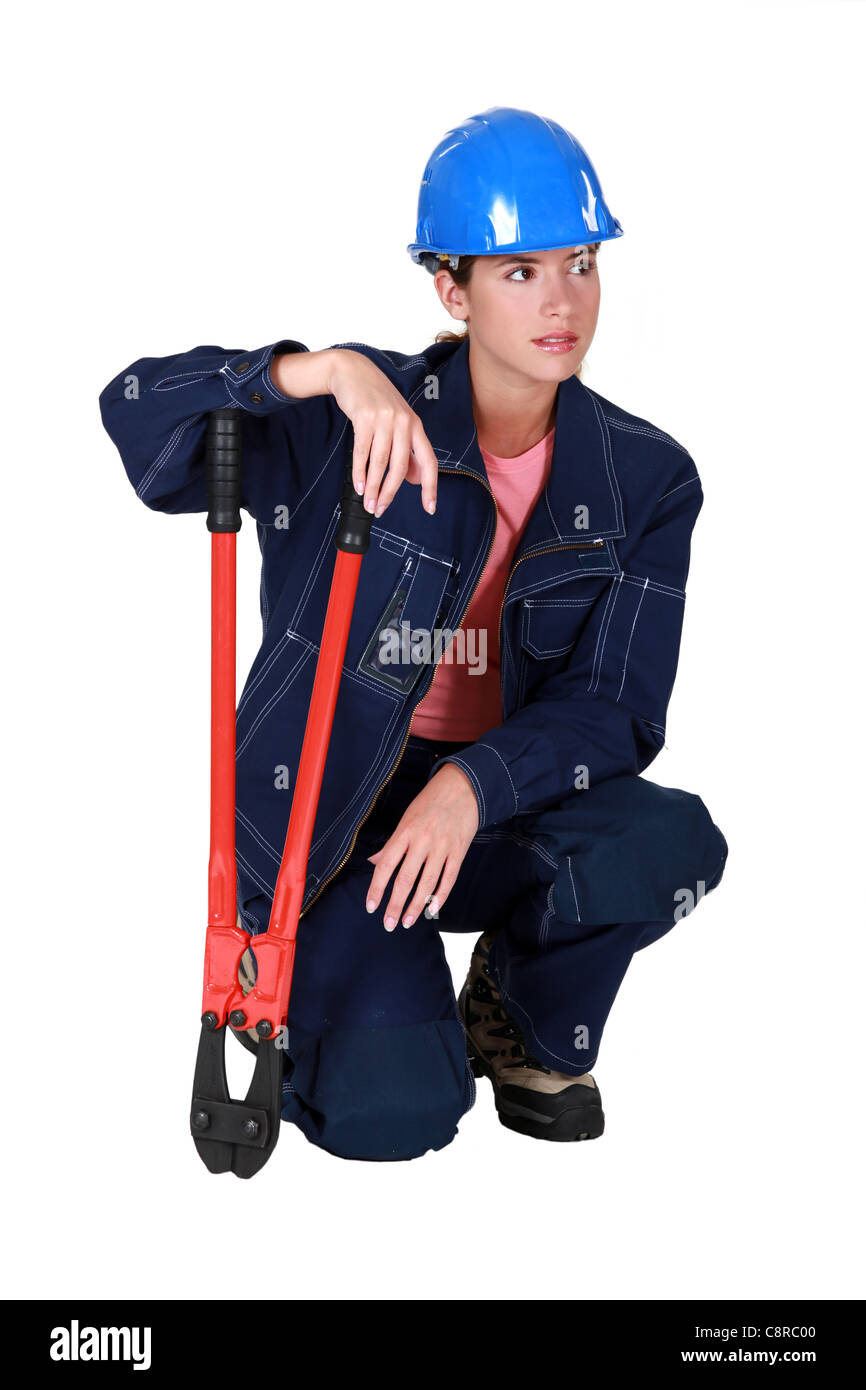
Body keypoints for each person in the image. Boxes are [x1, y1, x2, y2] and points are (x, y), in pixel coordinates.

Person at [100, 106, 727, 1162]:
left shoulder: (646, 477)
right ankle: (350, 992)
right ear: (451, 289)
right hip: (333, 821)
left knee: (664, 839)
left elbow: (614, 710)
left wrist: (472, 782)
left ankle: (516, 1015)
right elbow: (134, 412)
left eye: (579, 264)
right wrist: (316, 370)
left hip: (491, 803)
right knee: (393, 1114)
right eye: (518, 272)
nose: (562, 301)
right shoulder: (355, 419)